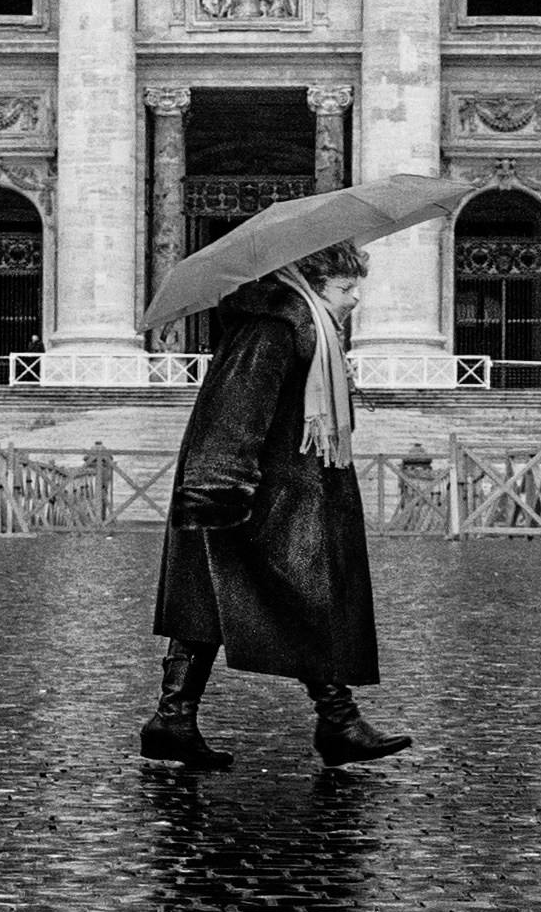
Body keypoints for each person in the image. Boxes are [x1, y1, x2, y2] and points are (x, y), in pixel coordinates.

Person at [146, 246, 407, 768]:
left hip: (288, 494)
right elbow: (235, 408)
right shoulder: (272, 328)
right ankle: (338, 722)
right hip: (256, 497)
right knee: (292, 598)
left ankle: (174, 719)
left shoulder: (305, 328)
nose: (355, 299)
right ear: (311, 284)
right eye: (345, 288)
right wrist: (219, 492)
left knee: (220, 603)